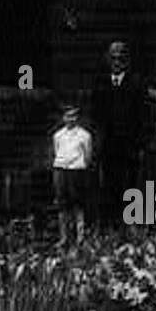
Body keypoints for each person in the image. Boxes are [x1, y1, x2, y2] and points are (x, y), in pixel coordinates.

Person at [90, 40, 150, 227]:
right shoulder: (100, 83)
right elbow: (96, 114)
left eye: (120, 58)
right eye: (113, 58)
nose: (117, 61)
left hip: (130, 143)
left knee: (131, 181)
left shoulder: (136, 82)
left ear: (126, 60)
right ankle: (112, 223)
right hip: (108, 143)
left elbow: (143, 115)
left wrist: (140, 143)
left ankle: (132, 222)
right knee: (110, 182)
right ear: (108, 60)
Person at [51, 104, 92, 247]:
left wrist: (79, 166)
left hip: (77, 171)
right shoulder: (58, 135)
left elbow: (87, 156)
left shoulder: (84, 135)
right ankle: (64, 237)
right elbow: (57, 152)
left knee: (78, 204)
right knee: (62, 205)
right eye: (68, 116)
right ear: (63, 118)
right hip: (61, 170)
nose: (71, 119)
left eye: (74, 116)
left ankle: (80, 237)